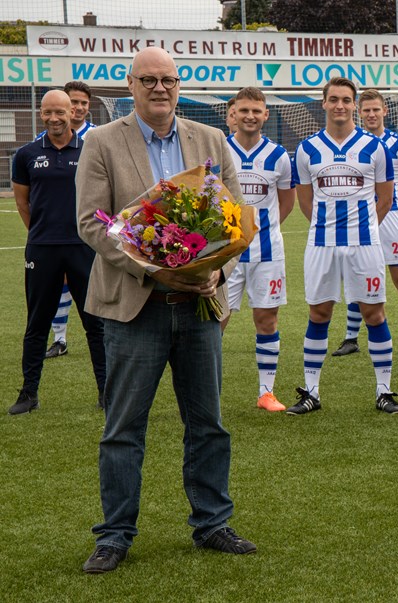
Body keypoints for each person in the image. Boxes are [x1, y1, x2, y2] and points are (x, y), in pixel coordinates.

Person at [76, 47, 255, 574]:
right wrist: (153, 270)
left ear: (180, 86)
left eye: (168, 80)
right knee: (123, 427)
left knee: (208, 423)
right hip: (136, 307)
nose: (160, 88)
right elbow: (92, 222)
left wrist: (215, 270)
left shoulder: (211, 140)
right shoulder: (102, 142)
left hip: (199, 306)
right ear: (130, 86)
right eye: (148, 80)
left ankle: (212, 523)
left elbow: (234, 218)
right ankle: (114, 535)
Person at [289, 77, 398, 415]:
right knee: (318, 313)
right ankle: (311, 392)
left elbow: (386, 196)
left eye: (346, 100)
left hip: (364, 245)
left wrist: (362, 228)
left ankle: (384, 391)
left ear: (354, 105)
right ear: (323, 103)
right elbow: (305, 201)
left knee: (374, 313)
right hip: (321, 245)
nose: (340, 105)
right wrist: (327, 227)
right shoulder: (307, 149)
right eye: (333, 99)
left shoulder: (375, 147)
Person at [9, 90, 106, 415]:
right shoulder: (26, 154)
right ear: (41, 113)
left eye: (60, 112)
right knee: (37, 323)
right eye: (47, 112)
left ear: (72, 113)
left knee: (96, 324)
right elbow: (23, 202)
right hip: (43, 249)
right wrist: (41, 234)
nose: (54, 118)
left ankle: (107, 393)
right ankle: (28, 394)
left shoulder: (92, 150)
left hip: (84, 248)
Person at [330, 89, 398, 358]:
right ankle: (351, 338)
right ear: (359, 113)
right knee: (356, 276)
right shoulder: (352, 143)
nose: (371, 114)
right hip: (358, 218)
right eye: (366, 110)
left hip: (392, 216)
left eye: (376, 109)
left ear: (385, 111)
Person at [220, 86, 295, 412]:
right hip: (224, 255)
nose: (250, 116)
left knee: (267, 320)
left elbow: (286, 201)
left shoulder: (279, 155)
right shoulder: (220, 150)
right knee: (215, 322)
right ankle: (206, 393)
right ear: (233, 114)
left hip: (267, 252)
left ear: (265, 115)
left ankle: (266, 392)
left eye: (256, 110)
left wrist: (262, 228)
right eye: (244, 110)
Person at [44, 81, 97, 360]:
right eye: (74, 102)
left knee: (93, 281)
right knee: (60, 280)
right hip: (59, 224)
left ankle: (102, 336)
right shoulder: (48, 138)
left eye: (83, 103)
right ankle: (60, 338)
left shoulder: (99, 136)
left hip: (92, 223)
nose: (78, 108)